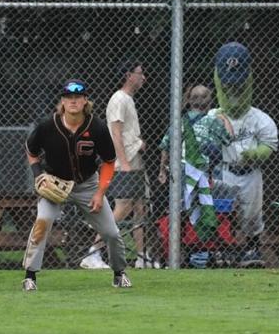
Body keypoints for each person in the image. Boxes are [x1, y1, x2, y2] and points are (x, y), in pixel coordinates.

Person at [22, 79, 130, 292]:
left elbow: (109, 161)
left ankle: (119, 273)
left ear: (85, 101)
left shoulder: (97, 127)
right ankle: (30, 276)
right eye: (68, 98)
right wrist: (38, 175)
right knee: (42, 223)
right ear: (62, 102)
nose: (73, 101)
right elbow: (32, 153)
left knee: (111, 232)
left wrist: (100, 193)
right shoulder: (47, 126)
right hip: (55, 183)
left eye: (77, 97)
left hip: (87, 185)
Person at [208, 42, 278, 268]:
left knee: (251, 213)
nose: (233, 92)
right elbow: (202, 143)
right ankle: (224, 249)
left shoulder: (259, 118)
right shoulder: (213, 116)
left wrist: (254, 154)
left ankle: (252, 247)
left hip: (250, 172)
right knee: (223, 210)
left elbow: (269, 144)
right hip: (224, 170)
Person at [84, 61, 152, 270]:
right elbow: (115, 134)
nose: (144, 78)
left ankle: (142, 257)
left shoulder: (128, 100)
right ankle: (93, 253)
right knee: (123, 207)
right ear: (128, 75)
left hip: (134, 158)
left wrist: (139, 143)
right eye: (140, 73)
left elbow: (128, 133)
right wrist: (124, 164)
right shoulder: (119, 99)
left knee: (141, 207)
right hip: (126, 161)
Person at [158, 84, 226, 269]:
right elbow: (229, 139)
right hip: (200, 173)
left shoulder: (179, 121)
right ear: (208, 102)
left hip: (179, 171)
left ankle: (176, 255)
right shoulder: (212, 122)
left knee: (178, 212)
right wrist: (223, 119)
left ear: (190, 101)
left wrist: (162, 170)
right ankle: (200, 254)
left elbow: (165, 145)